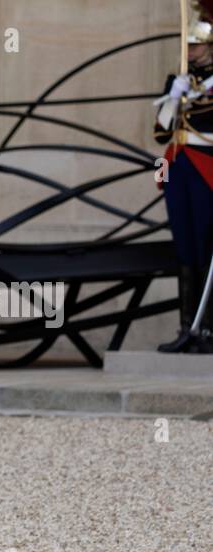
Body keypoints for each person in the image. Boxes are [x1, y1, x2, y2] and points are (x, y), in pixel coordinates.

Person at [154, 1, 213, 353]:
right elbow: (160, 133)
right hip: (177, 164)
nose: (189, 51)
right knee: (185, 245)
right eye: (188, 45)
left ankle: (207, 329)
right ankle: (185, 327)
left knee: (207, 243)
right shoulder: (177, 79)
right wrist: (172, 100)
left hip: (207, 165)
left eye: (196, 45)